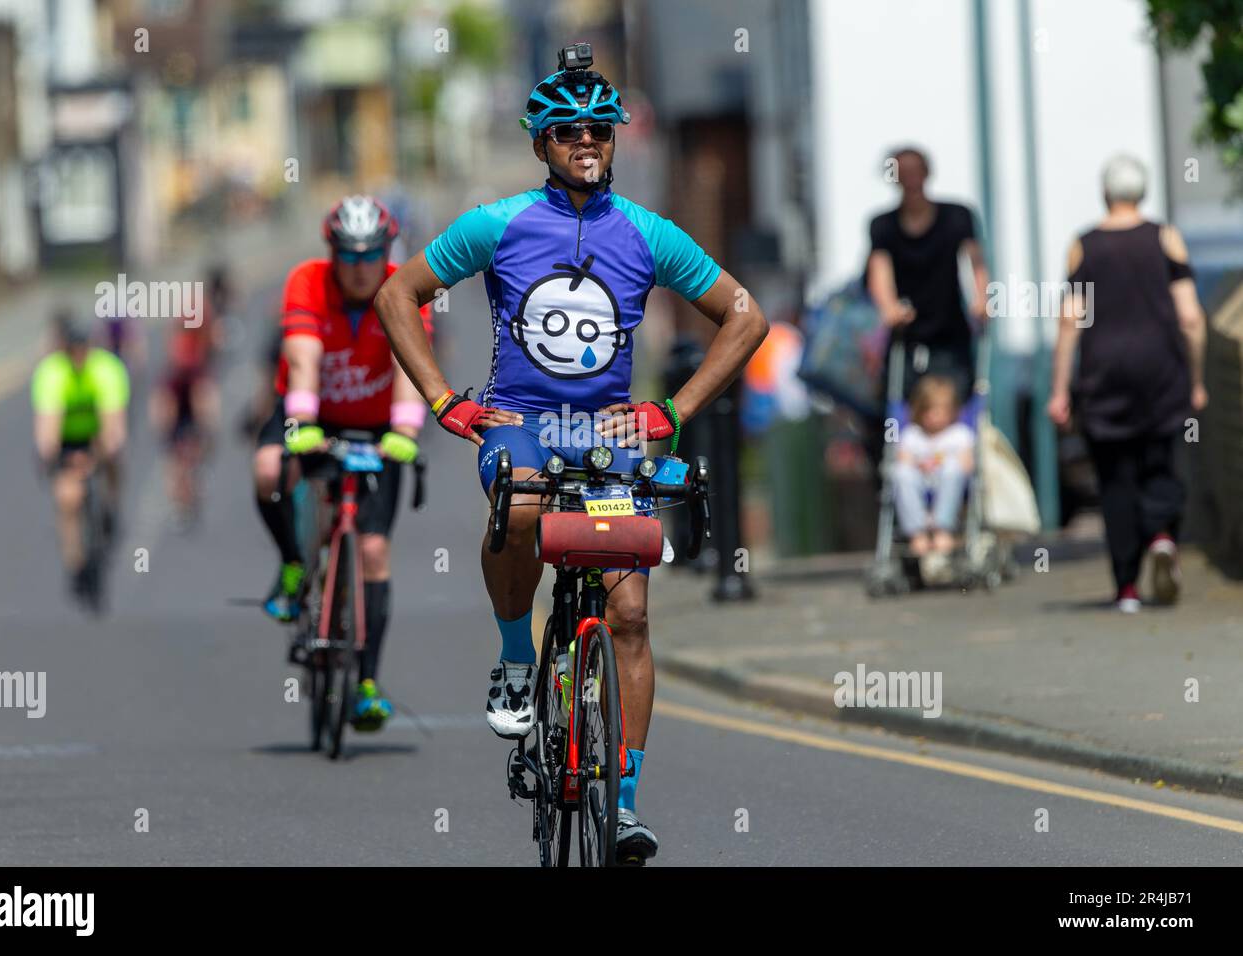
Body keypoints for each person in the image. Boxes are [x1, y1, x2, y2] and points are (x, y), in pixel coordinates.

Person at [375, 43, 768, 863]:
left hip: (611, 436)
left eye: (599, 130)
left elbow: (745, 316)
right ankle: (518, 657)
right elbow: (397, 294)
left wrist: (672, 410)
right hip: (519, 423)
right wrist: (444, 400)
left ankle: (622, 805)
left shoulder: (648, 233)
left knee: (628, 612)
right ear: (541, 145)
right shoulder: (500, 223)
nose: (585, 142)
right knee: (517, 498)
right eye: (566, 133)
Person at [252, 196, 432, 730]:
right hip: (315, 414)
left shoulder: (403, 285)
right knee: (267, 470)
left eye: (370, 255)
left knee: (373, 550)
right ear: (332, 253)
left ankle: (368, 684)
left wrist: (405, 429)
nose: (359, 267)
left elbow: (410, 361)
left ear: (386, 251)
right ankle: (291, 565)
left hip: (380, 425)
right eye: (348, 256)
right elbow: (303, 357)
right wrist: (303, 422)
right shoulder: (307, 280)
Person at [1048, 155, 1207, 613]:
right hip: (1161, 372)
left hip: (1104, 376)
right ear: (1144, 192)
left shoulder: (1084, 245)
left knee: (1115, 479)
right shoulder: (1165, 238)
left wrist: (1060, 389)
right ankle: (1161, 534)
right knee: (1162, 463)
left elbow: (1069, 319)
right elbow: (1191, 316)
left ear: (1105, 193)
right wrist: (1195, 379)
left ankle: (1126, 588)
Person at [866, 147, 989, 400]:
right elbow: (879, 270)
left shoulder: (957, 216)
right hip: (907, 333)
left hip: (951, 330)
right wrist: (889, 308)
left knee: (956, 399)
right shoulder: (883, 226)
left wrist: (982, 298)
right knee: (905, 403)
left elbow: (975, 261)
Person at [30, 313, 130, 604]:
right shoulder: (52, 373)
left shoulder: (106, 369)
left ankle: (111, 503)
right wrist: (55, 458)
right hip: (66, 440)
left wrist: (100, 454)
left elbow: (114, 427)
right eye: (71, 351)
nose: (78, 356)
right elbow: (47, 430)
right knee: (68, 498)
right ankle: (75, 562)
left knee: (114, 456)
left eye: (82, 349)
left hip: (97, 437)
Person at [151, 266, 226, 529]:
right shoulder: (178, 326)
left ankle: (202, 453)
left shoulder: (205, 317)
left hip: (196, 377)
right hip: (177, 381)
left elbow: (215, 344)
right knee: (168, 432)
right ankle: (178, 486)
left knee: (208, 419)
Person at [893, 375, 974, 579]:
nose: (936, 416)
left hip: (949, 486)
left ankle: (942, 528)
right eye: (931, 411)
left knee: (952, 467)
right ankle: (917, 531)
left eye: (942, 411)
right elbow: (904, 460)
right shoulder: (912, 435)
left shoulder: (959, 434)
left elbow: (966, 464)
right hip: (921, 485)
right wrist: (920, 465)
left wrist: (943, 461)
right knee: (900, 472)